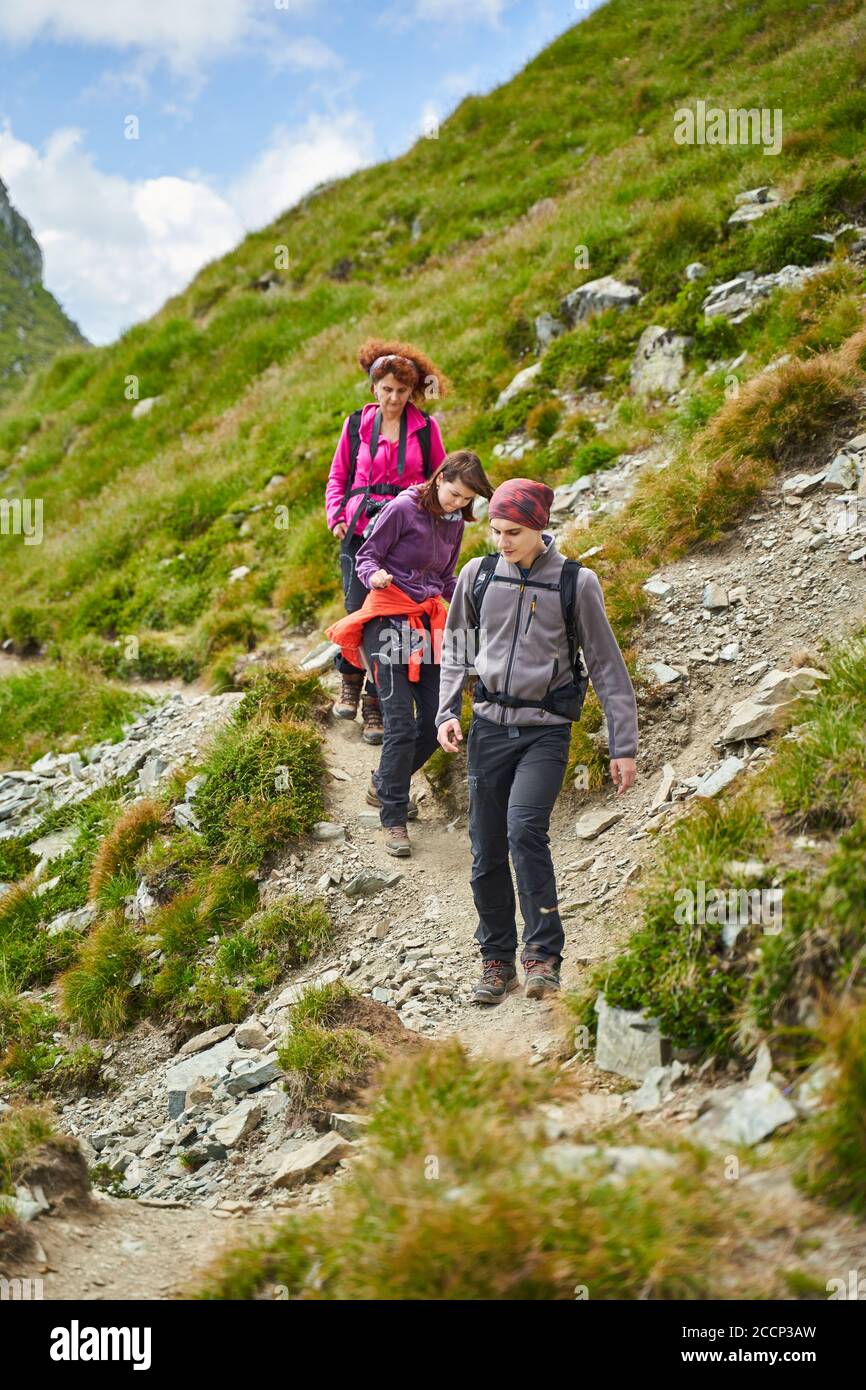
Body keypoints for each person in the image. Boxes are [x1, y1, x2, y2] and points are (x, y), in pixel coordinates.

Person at [435, 477, 638, 1004]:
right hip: (486, 729)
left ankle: (543, 956)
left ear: (540, 528)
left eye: (513, 532)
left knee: (524, 830)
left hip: (545, 733)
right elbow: (456, 646)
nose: (501, 541)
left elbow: (607, 668)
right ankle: (496, 959)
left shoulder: (577, 582)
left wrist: (623, 745)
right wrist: (445, 712)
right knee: (485, 850)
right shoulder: (477, 576)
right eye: (496, 530)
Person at [327, 452, 493, 858]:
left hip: (426, 623)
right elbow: (365, 556)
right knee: (399, 723)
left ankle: (384, 782)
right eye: (454, 494)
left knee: (441, 717)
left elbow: (445, 577)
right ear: (440, 478)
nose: (457, 504)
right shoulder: (403, 507)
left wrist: (471, 605)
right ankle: (394, 818)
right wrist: (374, 576)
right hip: (386, 619)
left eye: (466, 500)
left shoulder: (455, 523)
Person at [324, 339, 448, 745]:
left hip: (404, 538)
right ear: (374, 388)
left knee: (388, 617)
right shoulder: (356, 424)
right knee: (356, 609)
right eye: (387, 390)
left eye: (401, 391)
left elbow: (439, 483)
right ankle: (349, 681)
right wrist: (336, 516)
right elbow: (338, 476)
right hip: (360, 534)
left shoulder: (427, 431)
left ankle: (376, 705)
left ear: (412, 392)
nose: (394, 398)